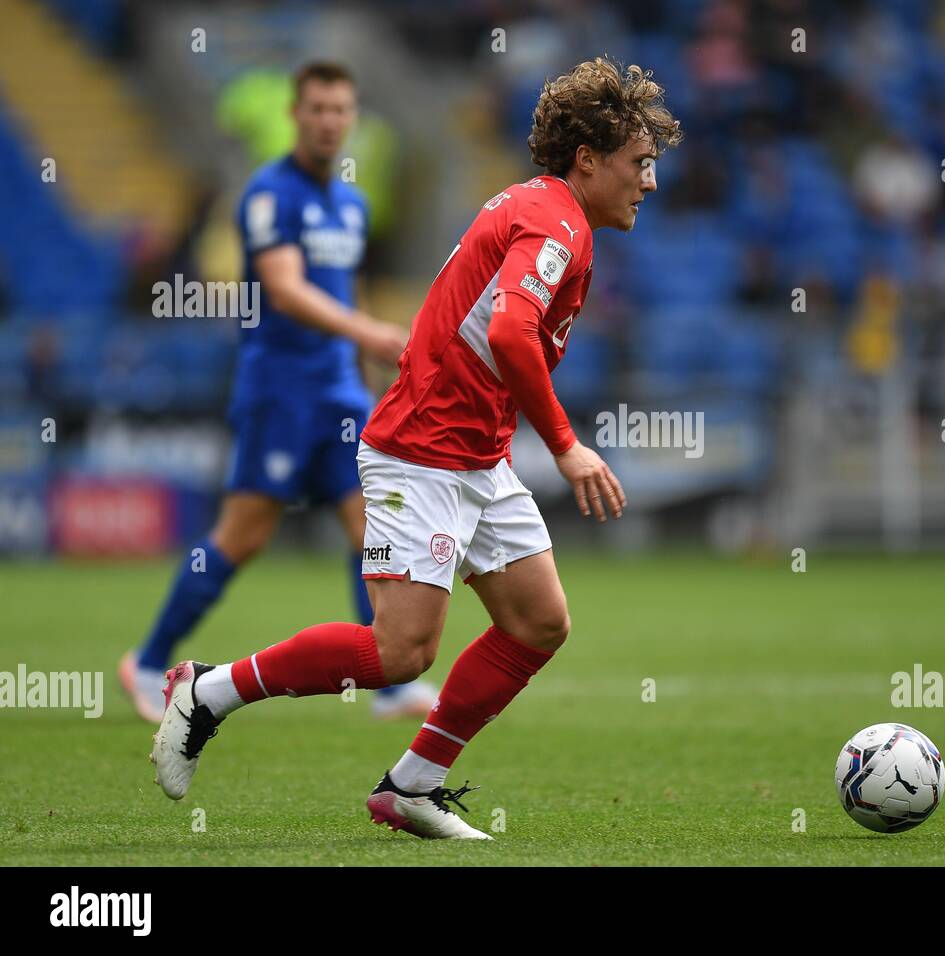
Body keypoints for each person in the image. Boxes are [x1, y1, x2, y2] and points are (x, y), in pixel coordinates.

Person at [149, 58, 682, 840]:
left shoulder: (551, 214)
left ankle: (412, 786)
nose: (651, 183)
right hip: (421, 452)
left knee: (538, 621)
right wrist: (566, 445)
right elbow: (509, 329)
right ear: (588, 160)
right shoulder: (555, 219)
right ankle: (207, 692)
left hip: (473, 456)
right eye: (641, 164)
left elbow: (501, 331)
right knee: (402, 654)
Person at [121, 61, 435, 723]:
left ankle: (388, 681)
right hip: (279, 391)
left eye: (339, 110)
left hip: (340, 392)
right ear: (296, 115)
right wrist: (373, 333)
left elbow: (346, 290)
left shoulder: (352, 202)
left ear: (353, 120)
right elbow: (287, 290)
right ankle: (147, 661)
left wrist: (369, 365)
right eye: (317, 109)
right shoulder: (269, 193)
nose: (328, 122)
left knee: (368, 526)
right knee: (243, 535)